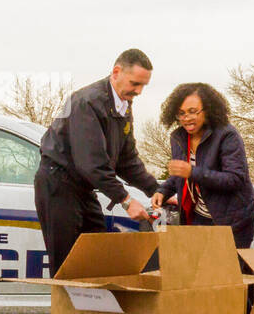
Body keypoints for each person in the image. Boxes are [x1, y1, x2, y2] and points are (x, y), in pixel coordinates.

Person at [150, 82, 254, 314]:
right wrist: (164, 191)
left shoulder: (228, 136)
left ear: (208, 110)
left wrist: (194, 172)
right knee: (201, 279)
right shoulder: (178, 137)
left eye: (193, 112)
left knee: (235, 281)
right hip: (198, 216)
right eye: (181, 113)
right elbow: (179, 175)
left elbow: (235, 179)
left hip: (233, 218)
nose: (187, 119)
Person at [33, 49, 160, 273]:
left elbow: (127, 160)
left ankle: (91, 308)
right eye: (134, 83)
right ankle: (66, 308)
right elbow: (91, 163)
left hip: (84, 187)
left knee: (94, 255)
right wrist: (126, 201)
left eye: (143, 86)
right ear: (116, 72)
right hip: (58, 185)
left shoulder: (122, 104)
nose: (138, 91)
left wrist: (157, 190)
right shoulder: (86, 102)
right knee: (68, 264)